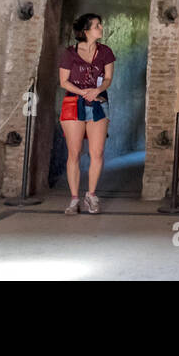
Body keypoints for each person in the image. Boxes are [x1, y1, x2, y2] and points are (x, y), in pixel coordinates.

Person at [58, 12, 115, 214]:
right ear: (86, 31)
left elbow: (108, 79)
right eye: (97, 25)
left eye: (100, 24)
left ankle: (91, 195)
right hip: (74, 104)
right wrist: (83, 92)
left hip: (99, 104)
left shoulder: (106, 52)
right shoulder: (69, 53)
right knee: (74, 153)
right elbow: (63, 81)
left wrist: (97, 91)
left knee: (97, 152)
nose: (100, 28)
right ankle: (74, 199)